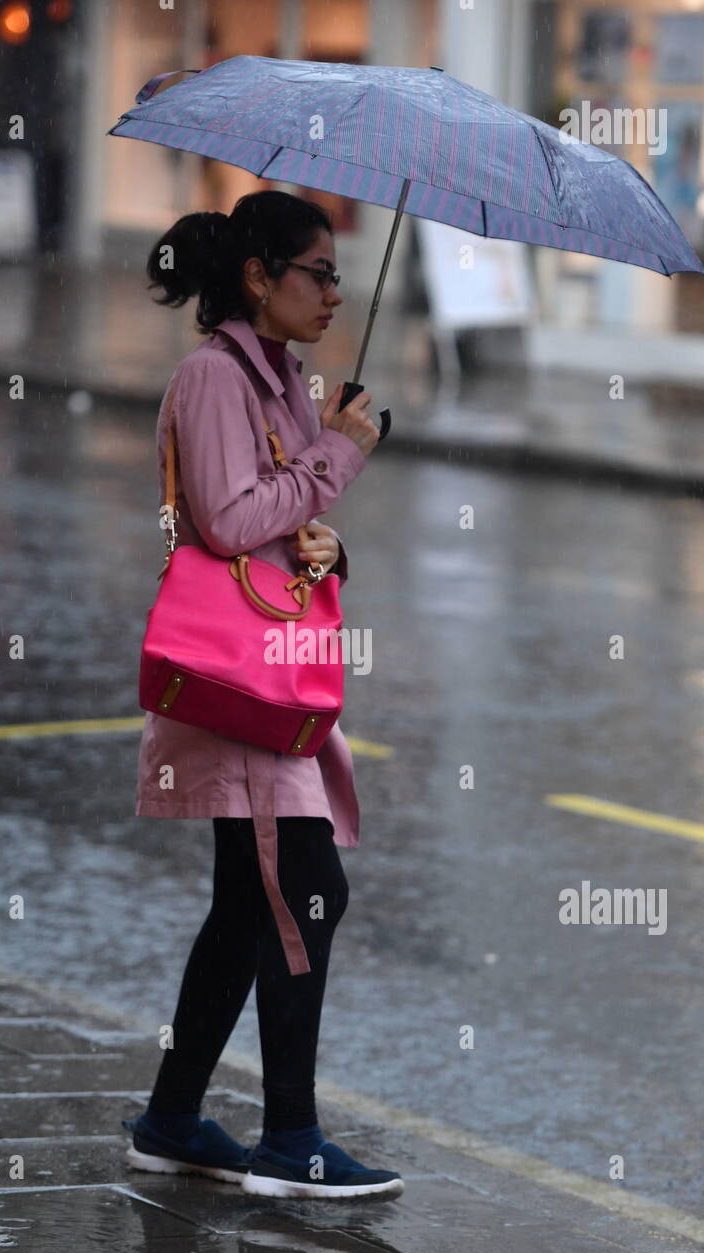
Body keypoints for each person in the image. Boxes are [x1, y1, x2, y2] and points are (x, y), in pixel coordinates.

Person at [122, 190, 403, 1199]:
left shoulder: (277, 377)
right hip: (240, 688)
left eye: (336, 275)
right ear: (258, 277)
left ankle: (172, 1118)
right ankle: (291, 1139)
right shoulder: (212, 379)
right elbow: (233, 521)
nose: (335, 291)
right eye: (318, 272)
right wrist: (339, 453)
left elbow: (284, 528)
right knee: (307, 890)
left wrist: (328, 536)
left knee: (249, 902)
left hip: (266, 671)